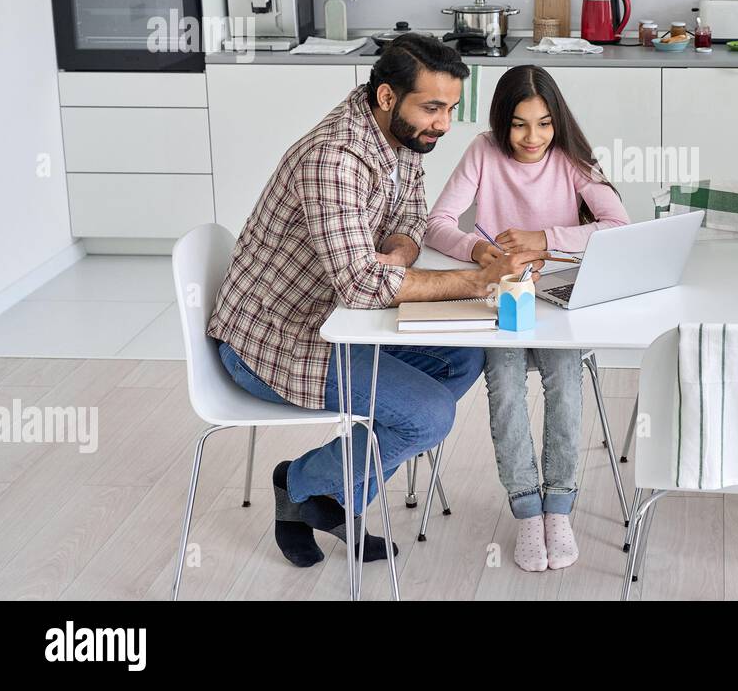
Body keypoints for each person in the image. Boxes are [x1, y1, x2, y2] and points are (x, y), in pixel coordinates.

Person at [207, 34, 544, 567]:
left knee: (464, 357)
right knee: (429, 417)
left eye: (451, 109)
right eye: (432, 108)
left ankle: (331, 495)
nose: (443, 124)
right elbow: (364, 288)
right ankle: (298, 483)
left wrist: (401, 246)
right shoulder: (334, 159)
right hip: (276, 343)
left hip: (337, 324)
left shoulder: (400, 139)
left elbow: (411, 216)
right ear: (387, 97)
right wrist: (479, 281)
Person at [425, 65, 629, 571]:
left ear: (555, 120)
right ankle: (525, 510)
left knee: (564, 379)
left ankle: (558, 507)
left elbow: (618, 224)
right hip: (504, 296)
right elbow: (437, 224)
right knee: (507, 385)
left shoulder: (572, 157)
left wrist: (546, 239)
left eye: (542, 123)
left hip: (560, 297)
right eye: (519, 124)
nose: (532, 137)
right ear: (501, 122)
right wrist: (480, 250)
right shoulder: (483, 151)